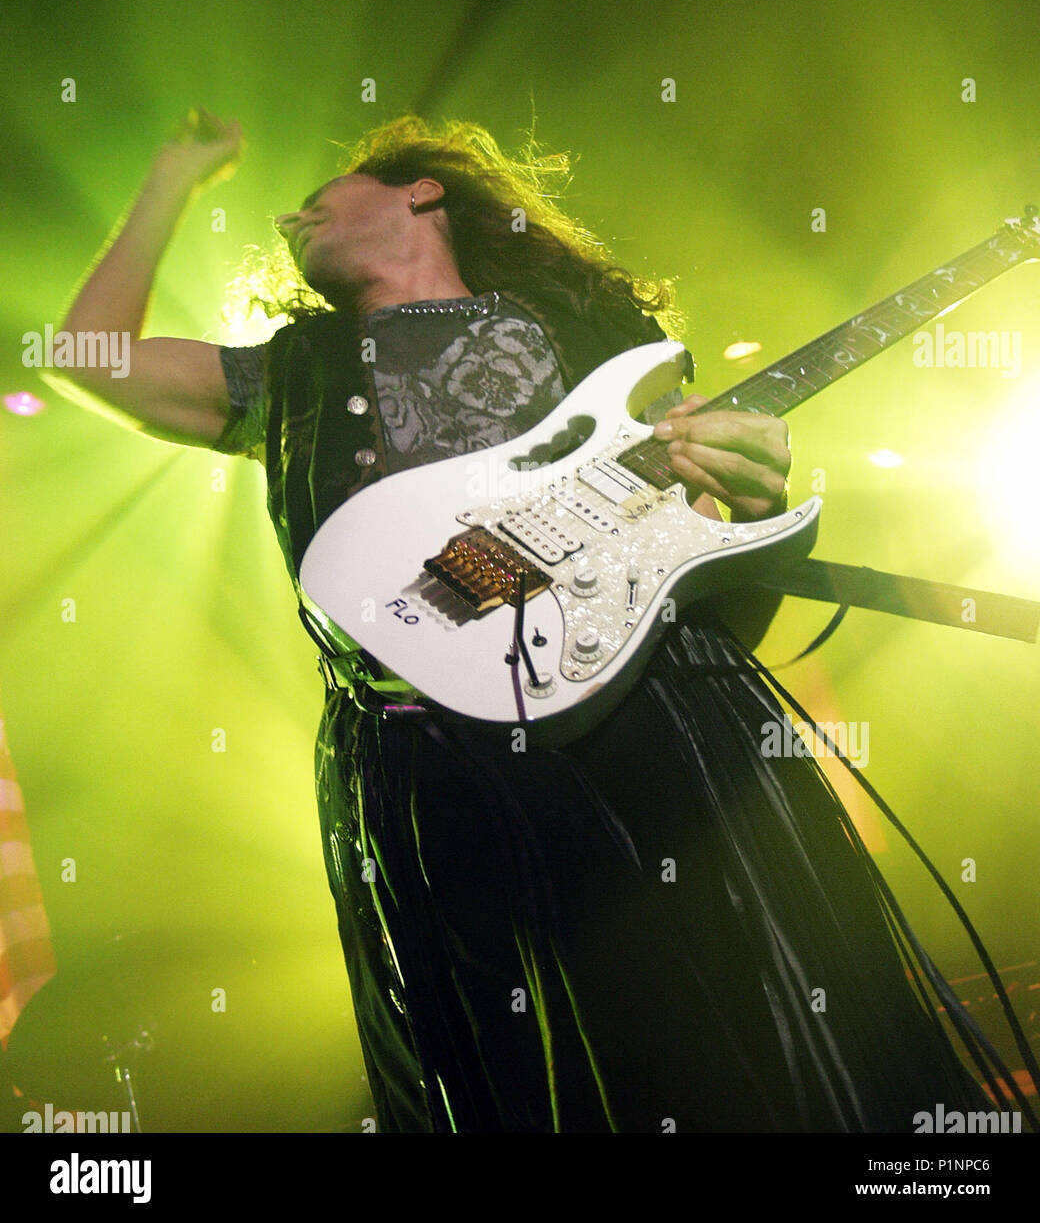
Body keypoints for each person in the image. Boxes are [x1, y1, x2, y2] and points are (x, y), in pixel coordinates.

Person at [49, 107, 989, 1133]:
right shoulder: (289, 377)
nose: (290, 218)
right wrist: (171, 179)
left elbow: (705, 588)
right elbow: (84, 357)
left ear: (420, 191)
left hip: (651, 743)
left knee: (748, 1055)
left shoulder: (599, 350)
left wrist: (754, 495)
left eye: (319, 198)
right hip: (431, 766)